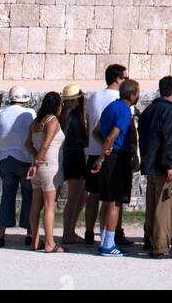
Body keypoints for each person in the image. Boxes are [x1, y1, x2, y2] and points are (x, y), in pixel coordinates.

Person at [91, 78, 140, 257]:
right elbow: (112, 136)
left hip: (110, 156)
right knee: (115, 202)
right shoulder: (124, 111)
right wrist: (103, 156)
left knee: (106, 200)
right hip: (117, 159)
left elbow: (96, 132)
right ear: (133, 95)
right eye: (138, 93)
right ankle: (109, 244)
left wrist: (104, 149)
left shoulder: (110, 107)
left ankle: (105, 239)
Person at [140, 76, 172, 258]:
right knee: (165, 207)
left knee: (152, 205)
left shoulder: (149, 111)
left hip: (151, 165)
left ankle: (150, 239)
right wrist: (170, 165)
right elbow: (170, 140)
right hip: (165, 167)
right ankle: (160, 246)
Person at [84, 64, 127, 246]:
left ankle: (88, 231)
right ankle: (111, 234)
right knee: (113, 198)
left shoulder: (93, 97)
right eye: (125, 78)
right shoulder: (120, 99)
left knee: (93, 194)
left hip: (94, 150)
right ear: (117, 79)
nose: (127, 81)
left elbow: (89, 123)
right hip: (112, 152)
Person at [0, 86, 36, 248]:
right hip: (25, 158)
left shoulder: (1, 113)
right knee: (29, 196)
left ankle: (1, 234)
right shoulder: (30, 113)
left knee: (7, 195)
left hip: (5, 157)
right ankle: (29, 233)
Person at [27, 91, 66, 253]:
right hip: (49, 166)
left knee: (36, 204)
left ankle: (35, 240)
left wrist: (35, 161)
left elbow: (28, 144)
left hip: (38, 166)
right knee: (50, 206)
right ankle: (50, 242)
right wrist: (38, 162)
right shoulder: (52, 121)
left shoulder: (36, 122)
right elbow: (46, 144)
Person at [59, 84, 88, 245]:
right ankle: (67, 232)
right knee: (74, 196)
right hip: (73, 154)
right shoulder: (69, 116)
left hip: (76, 154)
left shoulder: (69, 115)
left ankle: (70, 230)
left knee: (81, 195)